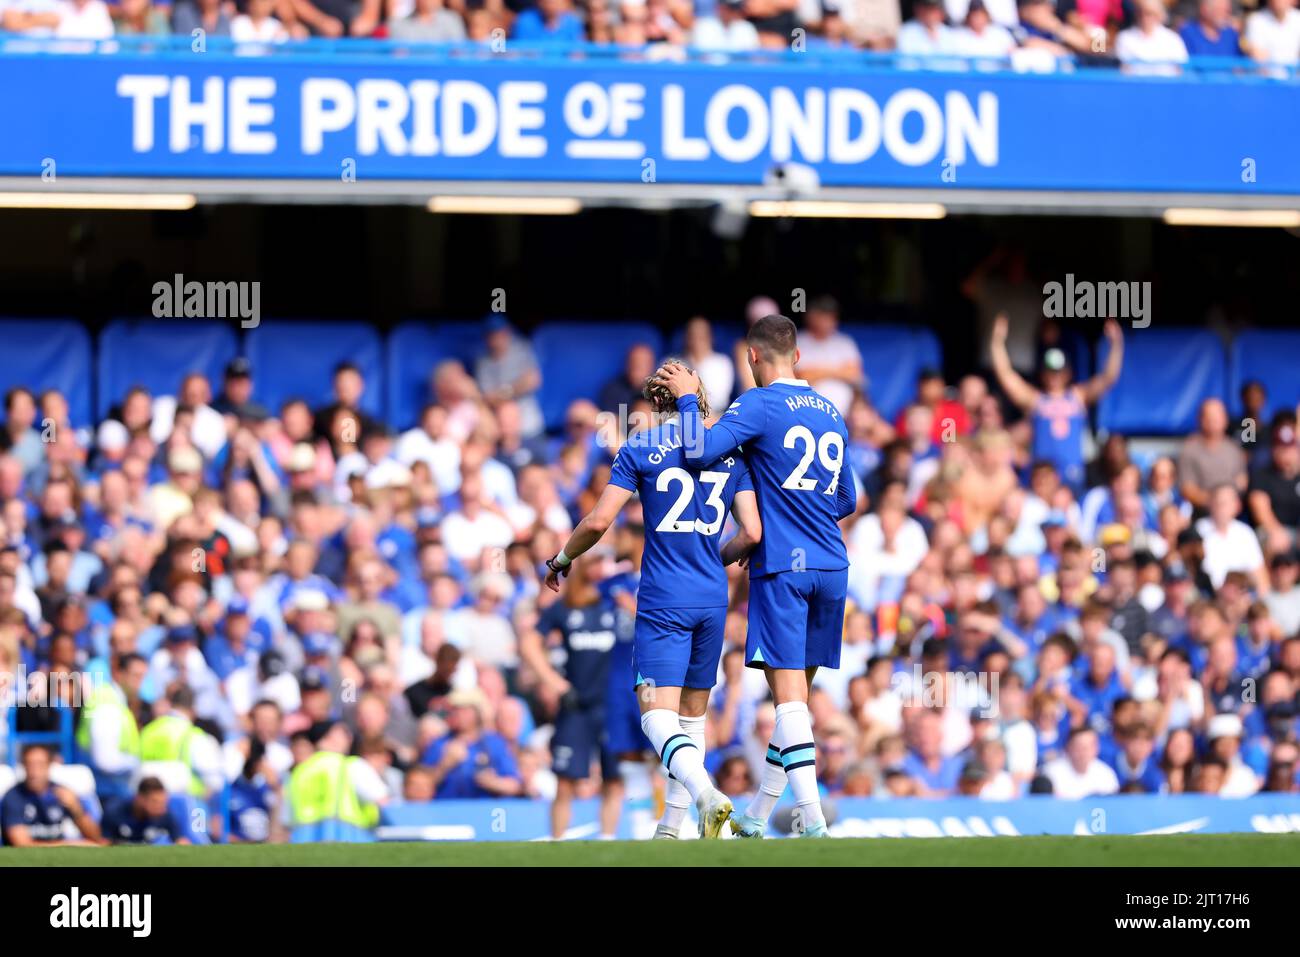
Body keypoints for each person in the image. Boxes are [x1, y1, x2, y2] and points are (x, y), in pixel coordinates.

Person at [656, 314, 858, 838]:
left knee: (788, 702)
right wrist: (806, 514)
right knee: (796, 704)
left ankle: (812, 821)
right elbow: (847, 498)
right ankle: (758, 814)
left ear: (751, 358)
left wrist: (687, 398)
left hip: (784, 571)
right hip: (833, 567)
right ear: (797, 356)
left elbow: (698, 451)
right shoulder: (831, 410)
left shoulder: (757, 404)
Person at [543, 360, 761, 839]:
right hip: (712, 598)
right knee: (692, 721)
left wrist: (561, 559)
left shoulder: (639, 447)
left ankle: (708, 797)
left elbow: (599, 523)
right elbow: (752, 532)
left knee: (657, 719)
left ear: (654, 404)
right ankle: (670, 830)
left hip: (663, 598)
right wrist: (714, 559)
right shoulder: (733, 451)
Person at [990, 314, 1124, 493]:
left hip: (1072, 477)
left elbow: (1108, 378)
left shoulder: (1078, 396)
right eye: (1050, 372)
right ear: (1043, 374)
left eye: (1059, 372)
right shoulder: (1035, 399)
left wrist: (1116, 344)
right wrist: (997, 342)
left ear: (1068, 373)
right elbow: (1007, 376)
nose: (1054, 377)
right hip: (1042, 478)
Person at [287, 720, 389, 838]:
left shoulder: (300, 771)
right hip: (349, 837)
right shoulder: (350, 765)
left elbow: (286, 819)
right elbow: (383, 801)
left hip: (303, 840)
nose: (350, 738)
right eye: (344, 733)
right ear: (329, 737)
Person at [75, 651, 147, 803]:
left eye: (143, 677)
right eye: (135, 676)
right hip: (106, 793)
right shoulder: (107, 706)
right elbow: (105, 760)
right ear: (118, 674)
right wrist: (139, 764)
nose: (140, 683)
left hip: (111, 789)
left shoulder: (115, 702)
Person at [0, 745, 103, 847]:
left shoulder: (62, 793)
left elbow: (95, 837)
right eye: (30, 764)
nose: (34, 771)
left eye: (40, 765)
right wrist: (71, 845)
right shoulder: (13, 797)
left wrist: (76, 809)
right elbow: (22, 844)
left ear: (49, 765)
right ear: (23, 766)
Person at [139, 685, 225, 798]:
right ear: (193, 710)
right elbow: (215, 782)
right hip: (185, 804)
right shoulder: (194, 736)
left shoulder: (148, 730)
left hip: (147, 801)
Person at [101, 777, 190, 845]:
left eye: (163, 803)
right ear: (139, 799)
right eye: (155, 802)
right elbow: (103, 843)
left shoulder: (165, 814)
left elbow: (181, 841)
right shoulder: (114, 812)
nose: (161, 808)